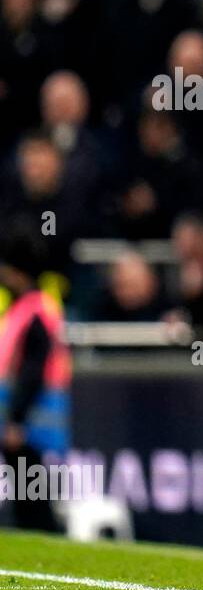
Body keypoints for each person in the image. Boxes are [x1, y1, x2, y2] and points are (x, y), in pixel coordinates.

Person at [0, 223, 72, 531]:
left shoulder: (33, 312)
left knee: (34, 505)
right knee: (29, 499)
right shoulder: (31, 308)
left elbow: (32, 370)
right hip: (30, 424)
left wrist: (17, 419)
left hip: (33, 426)